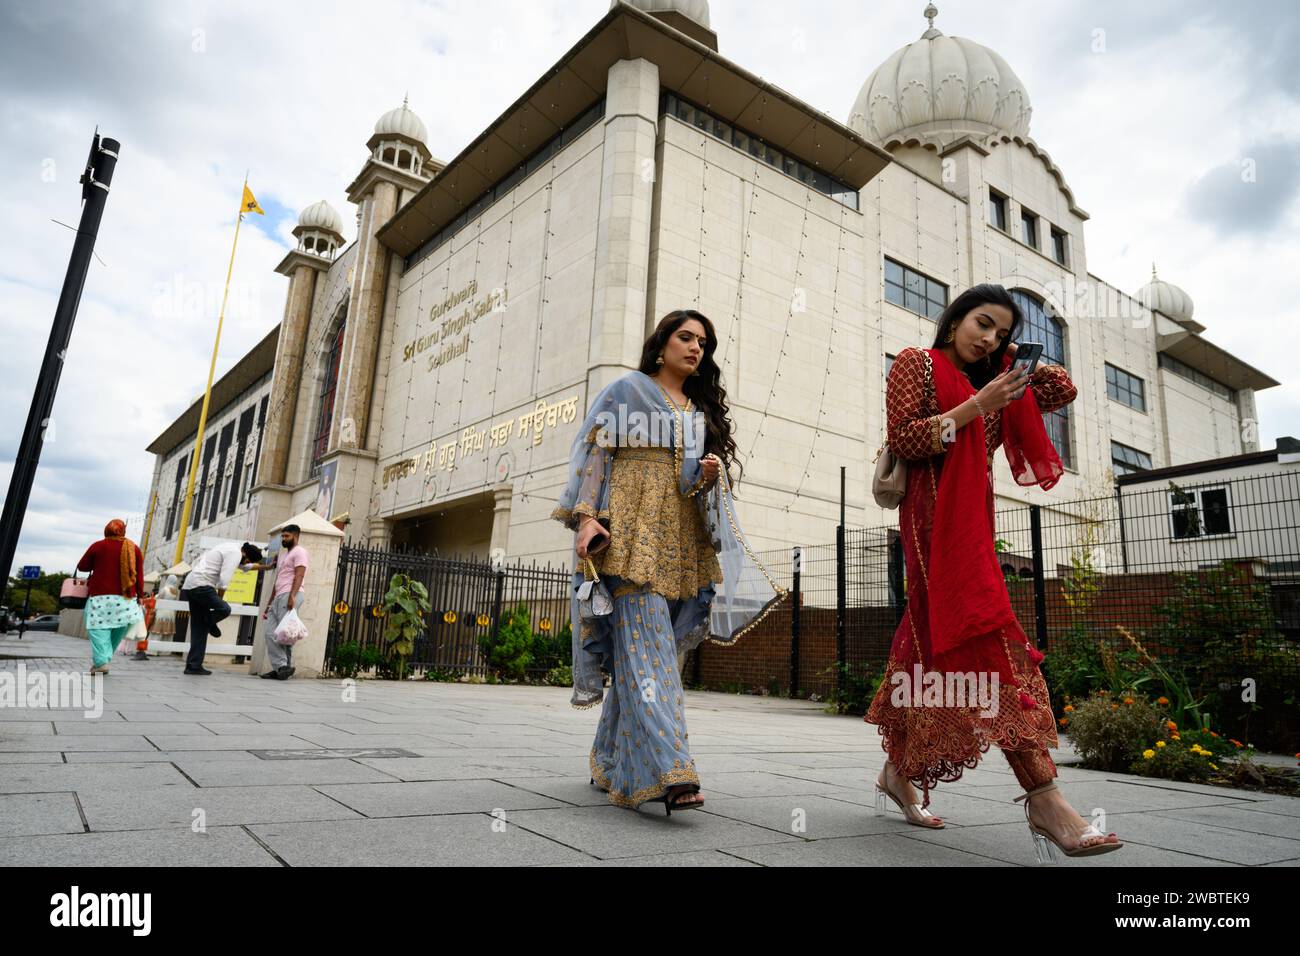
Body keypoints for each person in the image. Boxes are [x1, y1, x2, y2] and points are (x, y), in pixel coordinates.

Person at [865, 283, 1122, 860]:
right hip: (932, 526)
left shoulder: (1001, 382)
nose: (989, 338)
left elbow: (1064, 386)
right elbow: (906, 437)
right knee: (985, 641)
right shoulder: (917, 364)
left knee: (930, 647)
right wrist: (977, 406)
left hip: (974, 523)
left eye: (1001, 333)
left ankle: (896, 774)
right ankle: (1045, 797)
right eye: (982, 323)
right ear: (954, 318)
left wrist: (1009, 361)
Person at [552, 310, 785, 814]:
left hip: (680, 541)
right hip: (629, 534)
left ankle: (606, 758)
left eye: (704, 342)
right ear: (662, 345)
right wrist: (586, 517)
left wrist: (704, 475)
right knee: (652, 651)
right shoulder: (627, 391)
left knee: (645, 654)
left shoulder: (698, 412)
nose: (696, 347)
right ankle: (670, 771)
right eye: (686, 337)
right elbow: (597, 454)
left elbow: (684, 486)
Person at [178, 541, 263, 675]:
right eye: (246, 560)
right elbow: (224, 581)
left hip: (190, 586)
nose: (246, 562)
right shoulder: (235, 553)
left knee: (199, 630)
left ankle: (193, 666)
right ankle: (209, 621)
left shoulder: (231, 548)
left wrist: (268, 566)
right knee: (225, 609)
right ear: (245, 554)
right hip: (202, 585)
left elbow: (246, 567)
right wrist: (219, 601)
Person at [76, 519, 145, 675]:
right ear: (123, 531)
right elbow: (139, 575)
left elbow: (82, 566)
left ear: (106, 531)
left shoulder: (98, 546)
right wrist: (140, 595)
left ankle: (101, 662)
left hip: (100, 597)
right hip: (126, 599)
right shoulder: (134, 549)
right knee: (117, 630)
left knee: (98, 629)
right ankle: (104, 660)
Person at [246, 525, 307, 680]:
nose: (283, 539)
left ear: (295, 536)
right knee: (271, 632)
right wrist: (269, 603)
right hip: (279, 595)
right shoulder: (283, 555)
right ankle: (281, 667)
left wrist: (292, 596)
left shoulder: (300, 552)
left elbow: (299, 575)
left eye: (286, 536)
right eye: (282, 536)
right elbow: (278, 580)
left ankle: (282, 667)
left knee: (285, 633)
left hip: (290, 594)